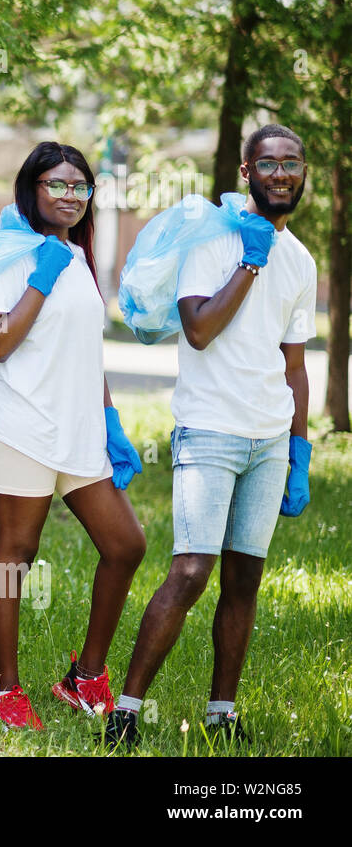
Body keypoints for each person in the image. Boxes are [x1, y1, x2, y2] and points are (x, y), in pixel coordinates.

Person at [105, 125, 316, 749]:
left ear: (302, 174)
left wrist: (299, 450)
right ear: (246, 172)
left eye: (293, 164)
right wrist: (250, 261)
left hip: (269, 438)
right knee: (193, 570)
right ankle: (127, 709)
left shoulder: (301, 259)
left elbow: (296, 365)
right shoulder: (212, 240)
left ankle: (222, 712)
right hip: (209, 430)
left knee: (244, 580)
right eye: (269, 164)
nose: (282, 174)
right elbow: (198, 329)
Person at [0, 143, 147, 730]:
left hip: (79, 428)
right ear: (32, 189)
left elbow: (85, 351)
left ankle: (85, 678)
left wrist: (109, 418)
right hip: (24, 422)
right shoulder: (10, 254)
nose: (70, 196)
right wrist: (40, 275)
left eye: (81, 186)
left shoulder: (79, 255)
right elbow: (0, 340)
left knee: (126, 545)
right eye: (57, 184)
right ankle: (4, 690)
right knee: (16, 555)